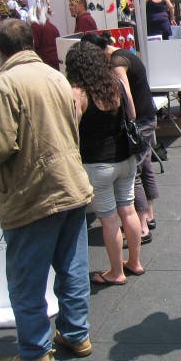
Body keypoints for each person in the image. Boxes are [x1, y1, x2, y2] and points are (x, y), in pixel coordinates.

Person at [0, 20, 94, 361]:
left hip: (34, 193)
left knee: (26, 279)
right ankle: (76, 334)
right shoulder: (54, 76)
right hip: (70, 184)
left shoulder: (3, 85)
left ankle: (34, 351)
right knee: (72, 268)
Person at [65, 41, 144, 287]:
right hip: (125, 158)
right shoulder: (115, 83)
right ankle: (135, 262)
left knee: (108, 219)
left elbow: (72, 129)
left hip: (97, 163)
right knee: (128, 211)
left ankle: (116, 271)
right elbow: (132, 114)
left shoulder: (79, 93)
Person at [81, 31, 159, 242]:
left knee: (136, 175)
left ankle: (142, 225)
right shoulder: (124, 54)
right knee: (146, 167)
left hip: (140, 121)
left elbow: (127, 96)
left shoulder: (117, 63)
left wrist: (129, 120)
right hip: (148, 116)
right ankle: (148, 215)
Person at [30, 0, 60, 70]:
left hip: (44, 61)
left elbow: (34, 45)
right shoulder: (52, 26)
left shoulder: (35, 26)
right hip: (56, 59)